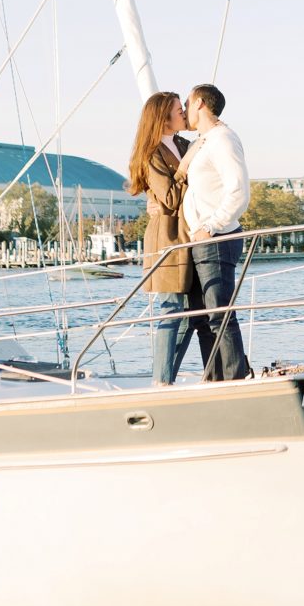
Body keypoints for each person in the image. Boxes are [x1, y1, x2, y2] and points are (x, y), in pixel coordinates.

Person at [180, 83, 252, 381]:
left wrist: (211, 226)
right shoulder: (205, 142)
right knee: (202, 316)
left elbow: (239, 190)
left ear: (199, 103)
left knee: (219, 312)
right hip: (202, 238)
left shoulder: (223, 139)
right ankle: (215, 375)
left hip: (216, 238)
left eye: (186, 104)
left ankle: (235, 377)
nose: (184, 111)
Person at [126, 91, 196, 385]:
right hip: (167, 236)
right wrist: (185, 166)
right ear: (163, 117)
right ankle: (161, 381)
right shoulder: (152, 153)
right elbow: (167, 199)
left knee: (193, 312)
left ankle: (165, 377)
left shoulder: (183, 143)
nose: (184, 113)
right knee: (171, 309)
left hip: (189, 232)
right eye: (179, 110)